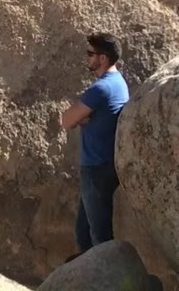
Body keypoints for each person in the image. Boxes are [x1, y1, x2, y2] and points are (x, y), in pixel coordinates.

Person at [60, 31, 130, 260]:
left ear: (103, 58)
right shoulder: (119, 84)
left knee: (99, 238)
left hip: (96, 169)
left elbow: (67, 120)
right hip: (107, 165)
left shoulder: (101, 89)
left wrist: (80, 117)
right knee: (84, 232)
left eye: (91, 53)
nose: (87, 58)